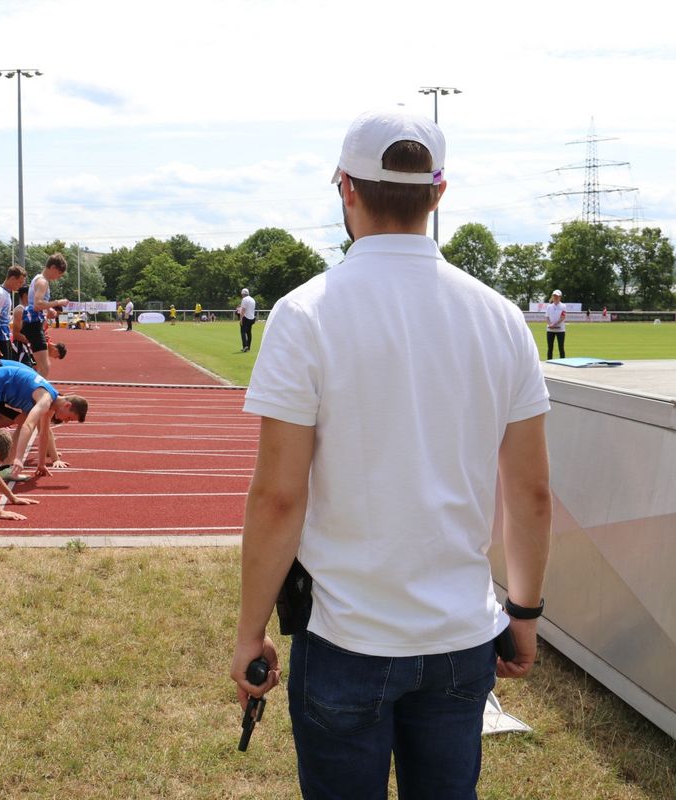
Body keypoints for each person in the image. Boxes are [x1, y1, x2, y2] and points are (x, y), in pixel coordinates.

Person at [230, 109, 552, 800]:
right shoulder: (500, 317)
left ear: (345, 188)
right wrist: (523, 613)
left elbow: (279, 497)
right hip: (461, 635)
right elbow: (529, 494)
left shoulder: (304, 314)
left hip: (346, 635)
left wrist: (251, 630)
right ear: (438, 194)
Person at [0, 360, 87, 480]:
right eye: (70, 418)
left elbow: (44, 433)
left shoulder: (50, 402)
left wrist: (41, 464)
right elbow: (28, 426)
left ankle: (5, 467)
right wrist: (19, 458)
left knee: (16, 420)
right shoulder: (45, 399)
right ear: (67, 405)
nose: (66, 421)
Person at [22, 253, 70, 378]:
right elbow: (37, 304)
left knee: (39, 366)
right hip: (33, 325)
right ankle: (34, 394)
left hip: (33, 324)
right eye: (59, 273)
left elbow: (36, 302)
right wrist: (58, 302)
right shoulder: (43, 282)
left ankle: (33, 391)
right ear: (53, 268)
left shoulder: (39, 279)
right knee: (44, 367)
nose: (58, 277)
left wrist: (48, 309)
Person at [0, 264, 27, 362]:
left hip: (4, 337)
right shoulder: (0, 294)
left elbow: (2, 316)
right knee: (4, 371)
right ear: (13, 278)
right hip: (0, 339)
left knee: (9, 368)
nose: (21, 285)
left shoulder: (5, 293)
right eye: (20, 282)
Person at [545, 289, 567, 360]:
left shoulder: (563, 306)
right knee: (550, 348)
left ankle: (563, 362)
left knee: (561, 347)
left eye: (557, 296)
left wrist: (554, 324)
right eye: (554, 296)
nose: (555, 297)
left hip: (560, 330)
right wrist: (550, 324)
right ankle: (549, 361)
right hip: (550, 330)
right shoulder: (549, 306)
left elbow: (563, 317)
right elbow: (547, 317)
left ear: (560, 297)